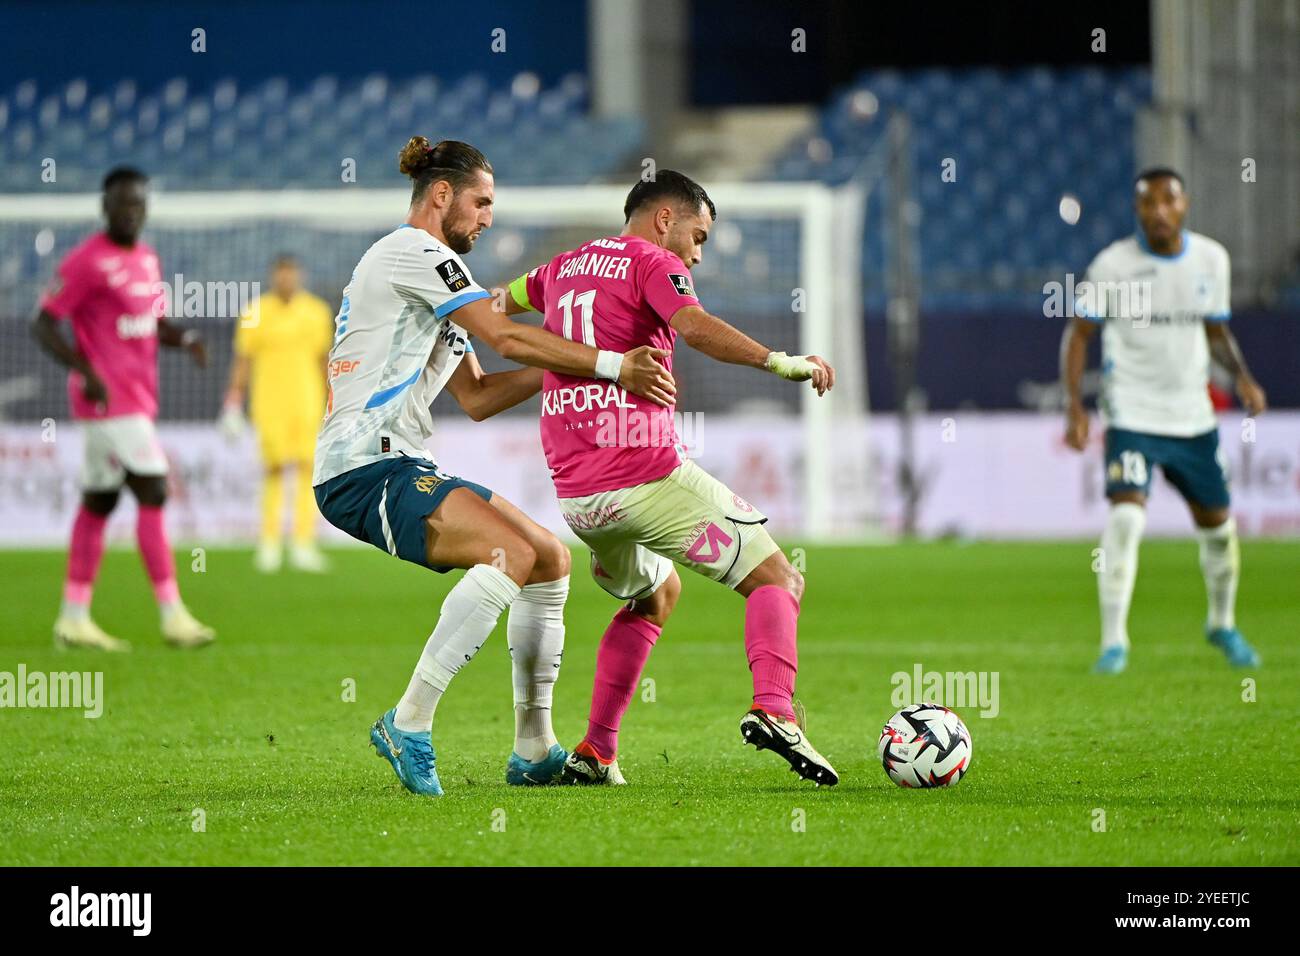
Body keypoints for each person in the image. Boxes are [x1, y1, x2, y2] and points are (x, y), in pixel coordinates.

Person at [312, 136, 676, 796]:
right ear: (441, 195)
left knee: (549, 559)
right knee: (508, 554)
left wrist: (560, 367)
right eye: (481, 202)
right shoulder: (415, 254)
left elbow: (477, 397)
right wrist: (608, 362)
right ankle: (408, 721)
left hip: (398, 463)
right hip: (361, 468)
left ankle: (533, 748)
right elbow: (505, 333)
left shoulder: (434, 281)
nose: (488, 217)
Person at [501, 170, 840, 786]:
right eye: (698, 234)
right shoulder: (652, 261)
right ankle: (776, 709)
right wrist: (781, 361)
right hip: (644, 475)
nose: (697, 252)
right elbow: (695, 327)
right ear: (665, 218)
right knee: (779, 579)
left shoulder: (561, 267)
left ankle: (597, 751)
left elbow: (498, 306)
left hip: (579, 497)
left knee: (656, 595)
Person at [1061, 167, 1266, 674]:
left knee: (1219, 530)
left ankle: (1222, 623)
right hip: (1131, 411)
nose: (1158, 211)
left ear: (1184, 205)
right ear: (1137, 210)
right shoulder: (1113, 265)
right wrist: (1074, 405)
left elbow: (1215, 330)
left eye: (1167, 201)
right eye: (1147, 203)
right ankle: (1114, 643)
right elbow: (1079, 333)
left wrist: (1242, 377)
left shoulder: (1210, 259)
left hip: (1192, 417)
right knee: (1127, 517)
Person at [33, 166, 216, 651]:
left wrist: (188, 338)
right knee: (153, 489)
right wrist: (85, 369)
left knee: (99, 502)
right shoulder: (85, 262)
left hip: (136, 398)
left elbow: (152, 323)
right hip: (108, 400)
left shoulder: (148, 260)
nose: (131, 212)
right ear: (105, 207)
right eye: (123, 204)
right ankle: (173, 614)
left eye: (139, 204)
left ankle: (73, 616)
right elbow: (43, 323)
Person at [221, 254, 334, 572]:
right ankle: (269, 542)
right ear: (274, 276)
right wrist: (233, 401)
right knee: (272, 469)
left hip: (307, 401)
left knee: (306, 470)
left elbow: (324, 359)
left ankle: (303, 542)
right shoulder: (255, 312)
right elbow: (243, 359)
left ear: (299, 276)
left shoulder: (316, 312)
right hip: (268, 403)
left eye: (292, 274)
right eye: (281, 274)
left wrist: (332, 401)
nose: (286, 280)